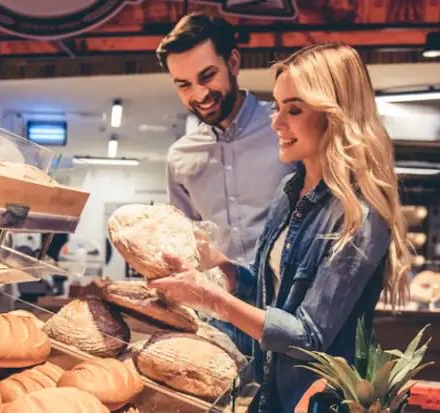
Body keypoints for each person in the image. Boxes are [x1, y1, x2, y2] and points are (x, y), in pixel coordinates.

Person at [150, 43, 412, 413]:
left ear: (334, 116)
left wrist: (211, 300)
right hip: (270, 393)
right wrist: (220, 265)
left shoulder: (361, 216)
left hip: (317, 402)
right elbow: (266, 287)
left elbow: (308, 336)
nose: (276, 122)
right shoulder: (289, 191)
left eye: (294, 109)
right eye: (276, 106)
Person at [157, 13, 294, 267]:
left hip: (287, 301)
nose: (199, 94)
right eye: (184, 85)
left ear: (232, 63)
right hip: (217, 302)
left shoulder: (287, 128)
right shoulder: (179, 157)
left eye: (207, 76)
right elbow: (185, 241)